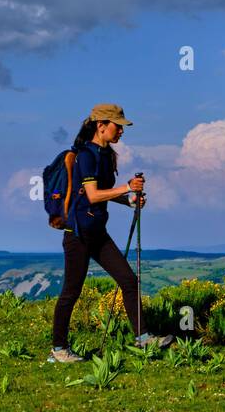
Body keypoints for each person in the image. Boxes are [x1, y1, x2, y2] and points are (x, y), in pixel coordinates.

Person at [48, 103, 175, 363]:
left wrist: (128, 200)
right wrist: (127, 187)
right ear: (101, 125)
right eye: (118, 126)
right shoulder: (85, 155)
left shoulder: (106, 156)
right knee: (71, 292)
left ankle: (143, 338)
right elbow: (94, 196)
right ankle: (58, 349)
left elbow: (100, 193)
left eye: (122, 127)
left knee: (128, 281)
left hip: (97, 232)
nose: (121, 131)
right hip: (78, 234)